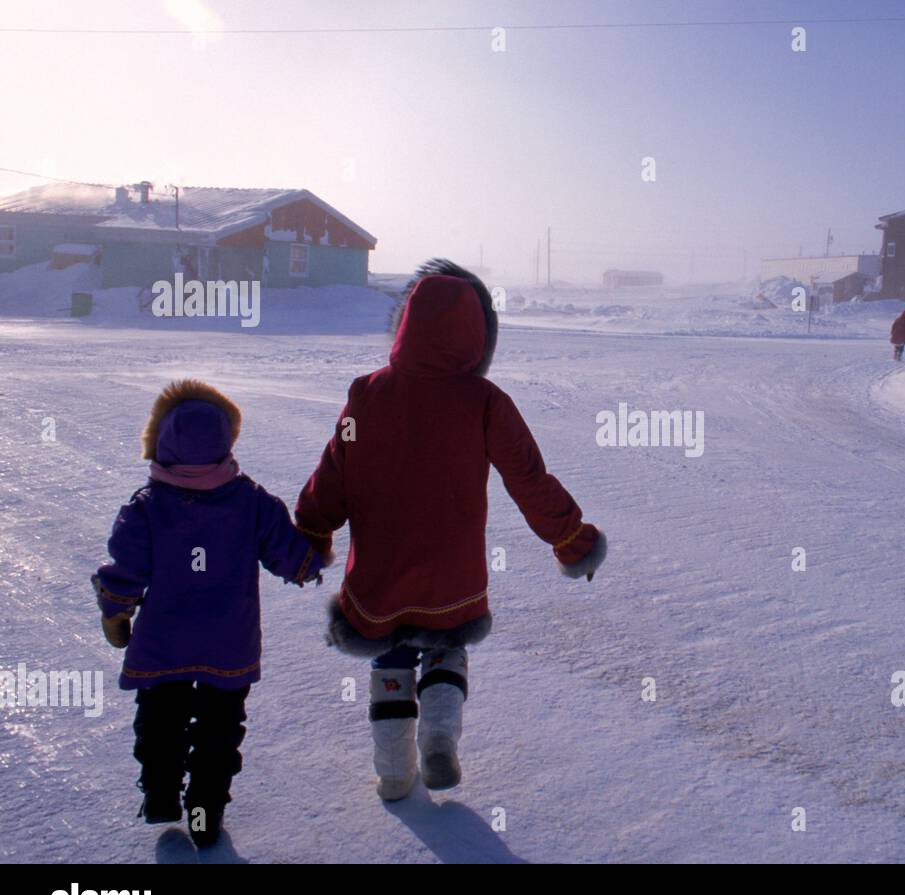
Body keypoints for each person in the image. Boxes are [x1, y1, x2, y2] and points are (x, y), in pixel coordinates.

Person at [295, 259, 606, 800]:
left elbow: (334, 469)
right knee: (445, 648)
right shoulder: (485, 402)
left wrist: (311, 531)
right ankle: (440, 737)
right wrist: (570, 539)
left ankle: (394, 772)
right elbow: (529, 479)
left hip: (378, 575)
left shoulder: (365, 395)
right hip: (452, 574)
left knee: (390, 657)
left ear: (407, 324)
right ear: (477, 335)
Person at [92, 380, 325, 847]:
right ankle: (204, 812)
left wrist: (116, 612)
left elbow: (126, 566)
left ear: (161, 443)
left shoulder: (147, 508)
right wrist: (311, 558)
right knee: (220, 729)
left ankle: (160, 792)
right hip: (228, 640)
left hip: (164, 641)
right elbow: (289, 554)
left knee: (160, 716)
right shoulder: (252, 501)